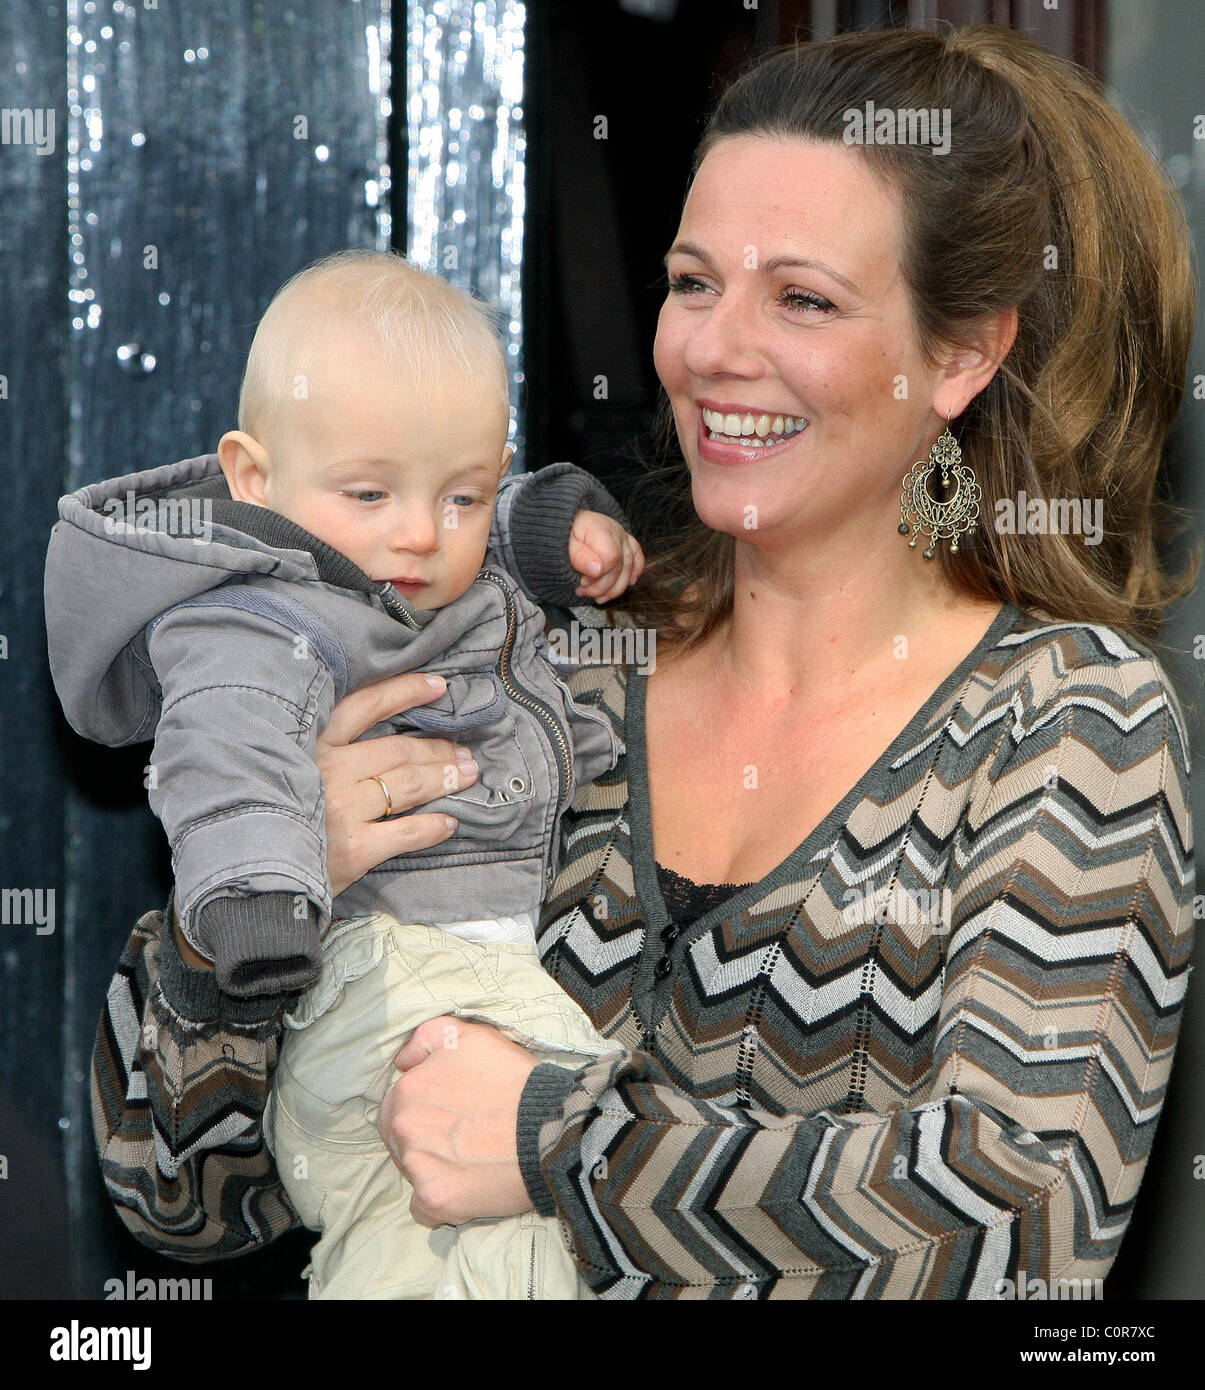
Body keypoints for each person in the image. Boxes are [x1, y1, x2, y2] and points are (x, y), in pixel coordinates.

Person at [87, 23, 1197, 1299]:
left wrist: (553, 1138)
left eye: (802, 297)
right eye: (690, 281)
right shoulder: (531, 662)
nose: (713, 349)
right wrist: (252, 901)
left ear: (959, 355)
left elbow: (1022, 1221)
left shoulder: (1065, 720)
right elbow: (176, 1195)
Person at [46, 250, 647, 1297]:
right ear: (252, 478)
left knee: (422, 1237)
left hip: (436, 982)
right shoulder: (255, 624)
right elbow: (226, 764)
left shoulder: (416, 554)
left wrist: (551, 526)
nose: (419, 532)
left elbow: (489, 528)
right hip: (379, 972)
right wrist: (257, 899)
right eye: (370, 490)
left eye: (458, 494)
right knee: (570, 1108)